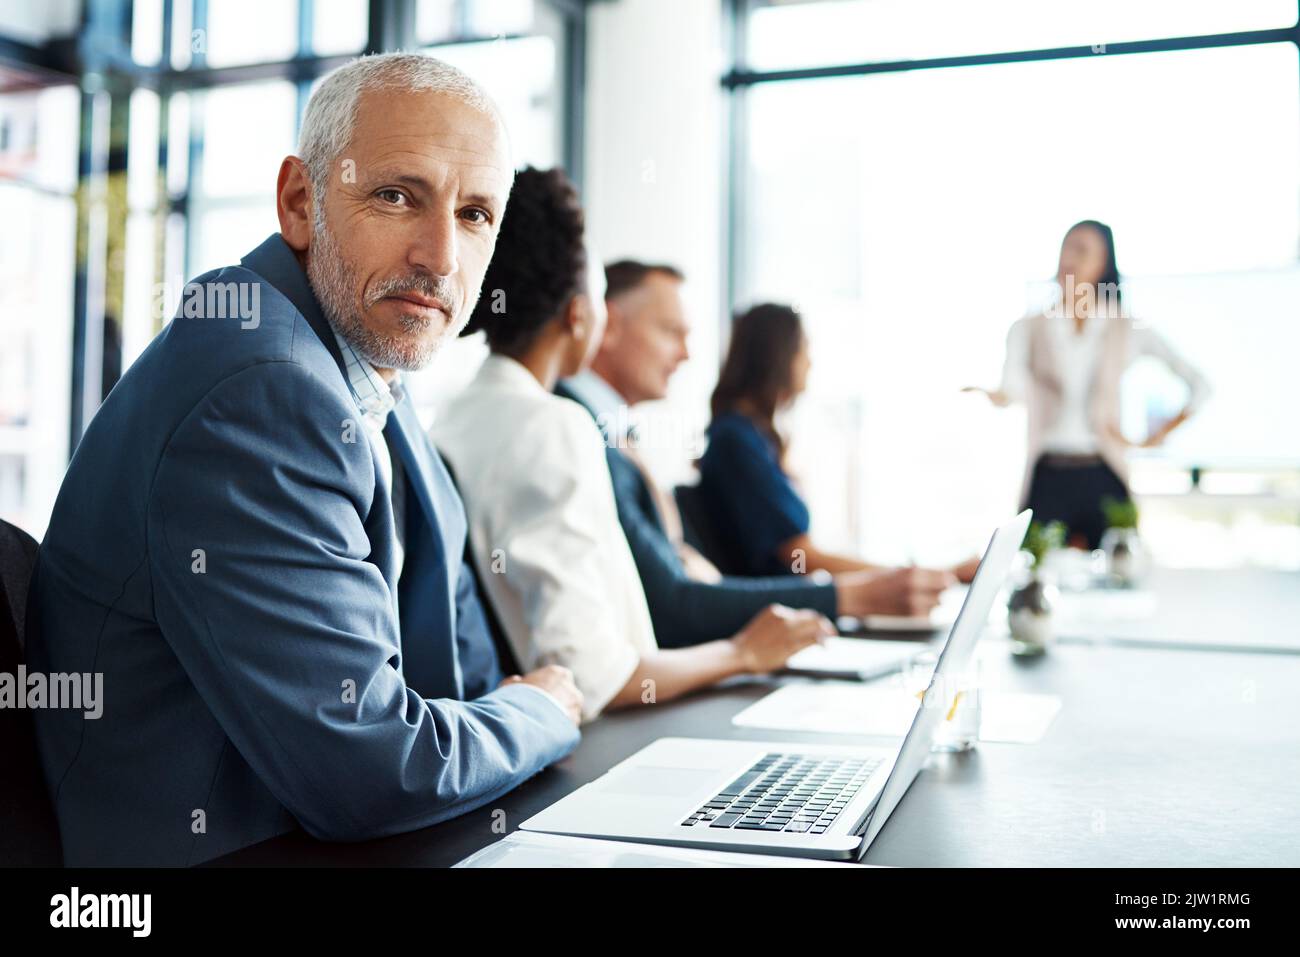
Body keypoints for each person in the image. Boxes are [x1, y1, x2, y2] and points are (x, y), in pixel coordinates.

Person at [26, 53, 582, 867]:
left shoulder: (362, 359)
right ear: (300, 201)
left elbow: (455, 659)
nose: (439, 256)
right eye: (397, 195)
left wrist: (497, 718)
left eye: (474, 215)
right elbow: (371, 771)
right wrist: (539, 711)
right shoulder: (260, 390)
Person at [434, 168, 831, 719]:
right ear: (580, 315)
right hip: (610, 736)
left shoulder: (456, 416)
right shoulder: (551, 423)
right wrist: (743, 652)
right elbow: (594, 677)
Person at [560, 262, 955, 651]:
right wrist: (870, 591)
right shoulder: (582, 434)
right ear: (608, 325)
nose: (686, 355)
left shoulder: (624, 437)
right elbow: (675, 604)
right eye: (670, 332)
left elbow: (690, 579)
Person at [966, 220, 1211, 548]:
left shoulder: (1127, 327)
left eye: (1082, 250)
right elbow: (1013, 389)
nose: (1070, 258)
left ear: (1103, 264)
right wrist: (993, 396)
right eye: (1066, 248)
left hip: (1103, 474)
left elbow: (1200, 385)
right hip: (1048, 476)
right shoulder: (1027, 328)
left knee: (1119, 575)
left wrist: (1156, 437)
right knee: (1035, 577)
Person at [696, 303, 979, 582]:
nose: (810, 362)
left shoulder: (751, 437)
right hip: (776, 609)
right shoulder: (736, 440)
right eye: (803, 349)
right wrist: (925, 576)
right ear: (777, 356)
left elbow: (801, 558)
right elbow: (800, 558)